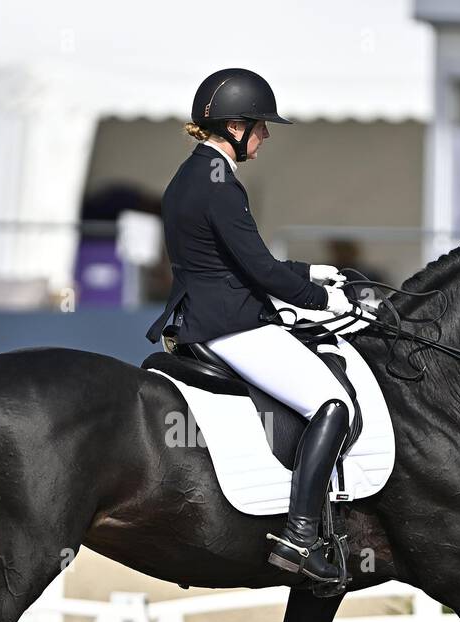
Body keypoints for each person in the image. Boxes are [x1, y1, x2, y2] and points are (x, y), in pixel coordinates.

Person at [146, 68, 356, 587]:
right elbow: (259, 269)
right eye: (260, 126)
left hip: (211, 312)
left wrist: (311, 271)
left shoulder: (193, 174)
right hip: (230, 325)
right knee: (334, 404)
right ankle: (301, 536)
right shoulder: (221, 184)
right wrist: (320, 298)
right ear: (234, 126)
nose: (265, 137)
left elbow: (238, 259)